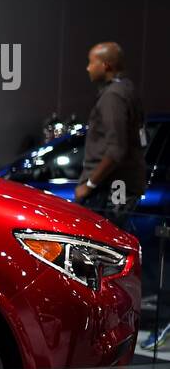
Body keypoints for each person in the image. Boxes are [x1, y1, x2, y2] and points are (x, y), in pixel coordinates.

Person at [73, 42, 145, 230]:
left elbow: (116, 149)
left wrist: (89, 185)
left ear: (105, 65)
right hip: (119, 186)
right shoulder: (127, 90)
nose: (88, 68)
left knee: (102, 246)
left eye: (91, 62)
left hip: (109, 189)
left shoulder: (113, 96)